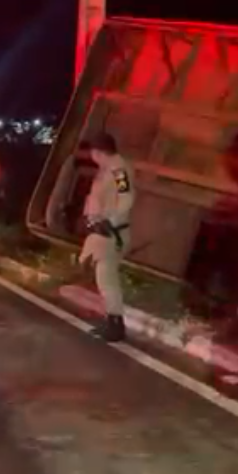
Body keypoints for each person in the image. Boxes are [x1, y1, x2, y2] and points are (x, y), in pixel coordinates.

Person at [78, 133, 136, 341]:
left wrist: (111, 220)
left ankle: (116, 325)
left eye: (93, 151)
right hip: (103, 231)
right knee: (105, 279)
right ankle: (113, 322)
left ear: (99, 152)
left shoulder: (119, 170)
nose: (91, 156)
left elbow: (126, 198)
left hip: (111, 233)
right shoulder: (107, 169)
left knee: (107, 279)